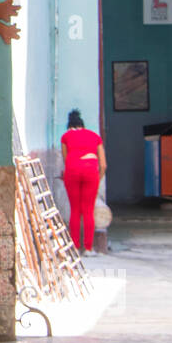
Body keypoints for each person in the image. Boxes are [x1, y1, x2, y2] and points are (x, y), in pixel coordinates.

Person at [61, 109, 106, 255]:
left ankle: (74, 248)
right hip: (91, 172)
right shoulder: (95, 136)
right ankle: (88, 248)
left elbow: (66, 160)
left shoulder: (66, 136)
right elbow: (103, 164)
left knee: (75, 210)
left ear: (70, 126)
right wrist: (97, 179)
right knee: (88, 211)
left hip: (72, 171)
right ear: (83, 125)